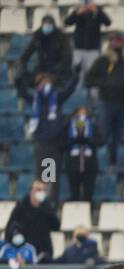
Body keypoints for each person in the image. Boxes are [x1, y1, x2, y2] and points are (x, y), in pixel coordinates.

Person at [28, 72, 79, 202]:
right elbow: (22, 92)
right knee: (41, 178)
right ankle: (40, 204)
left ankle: (49, 204)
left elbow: (69, 90)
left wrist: (75, 75)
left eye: (47, 83)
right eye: (42, 83)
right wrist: (18, 82)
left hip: (53, 146)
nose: (45, 86)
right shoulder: (35, 100)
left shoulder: (56, 99)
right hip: (41, 145)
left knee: (49, 178)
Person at [84, 35, 124, 169]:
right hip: (106, 102)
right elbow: (89, 80)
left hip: (123, 102)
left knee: (119, 135)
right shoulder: (102, 61)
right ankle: (102, 163)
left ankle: (115, 162)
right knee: (104, 134)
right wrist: (105, 83)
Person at [17, 15, 73, 97]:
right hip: (41, 67)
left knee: (53, 84)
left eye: (49, 24)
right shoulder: (38, 36)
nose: (47, 26)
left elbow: (67, 58)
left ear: (53, 25)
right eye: (45, 24)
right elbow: (25, 55)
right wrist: (23, 68)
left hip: (58, 69)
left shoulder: (61, 37)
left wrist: (54, 71)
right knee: (25, 81)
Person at [5, 182, 59, 265]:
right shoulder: (21, 207)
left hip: (43, 252)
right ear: (30, 191)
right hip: (25, 252)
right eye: (38, 189)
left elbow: (56, 226)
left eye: (43, 190)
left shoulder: (47, 206)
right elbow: (10, 228)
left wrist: (47, 207)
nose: (41, 192)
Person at [61, 105, 102, 203]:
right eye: (79, 114)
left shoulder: (93, 126)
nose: (82, 116)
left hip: (89, 164)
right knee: (74, 192)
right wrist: (74, 140)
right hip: (72, 164)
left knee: (88, 193)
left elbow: (100, 141)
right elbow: (62, 143)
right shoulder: (67, 126)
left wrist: (88, 141)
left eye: (84, 114)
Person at [66, 3, 112, 88]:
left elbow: (108, 22)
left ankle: (93, 95)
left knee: (93, 73)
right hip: (79, 49)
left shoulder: (97, 10)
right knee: (78, 74)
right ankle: (78, 94)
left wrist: (97, 12)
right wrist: (77, 13)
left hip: (93, 49)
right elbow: (68, 22)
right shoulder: (78, 10)